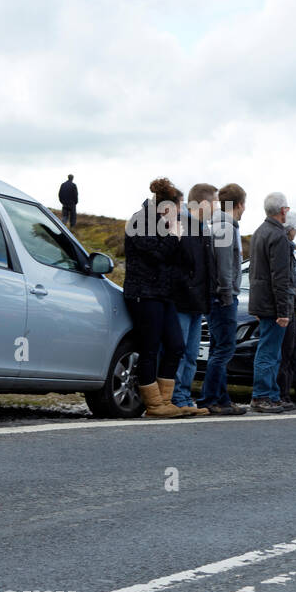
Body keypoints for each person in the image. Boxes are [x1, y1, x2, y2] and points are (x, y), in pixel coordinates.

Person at [124, 179, 191, 418]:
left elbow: (177, 260)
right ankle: (153, 405)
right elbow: (156, 256)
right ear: (167, 207)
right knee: (149, 348)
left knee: (176, 345)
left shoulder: (166, 224)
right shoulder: (139, 221)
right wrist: (173, 235)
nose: (182, 211)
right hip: (143, 293)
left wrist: (177, 236)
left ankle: (165, 401)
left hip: (164, 294)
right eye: (179, 206)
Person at [169, 183, 218, 416]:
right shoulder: (181, 225)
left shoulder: (203, 228)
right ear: (205, 204)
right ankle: (176, 397)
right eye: (216, 202)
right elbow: (177, 264)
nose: (218, 206)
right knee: (179, 352)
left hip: (197, 302)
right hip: (182, 300)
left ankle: (184, 397)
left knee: (190, 354)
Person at [203, 183, 248, 414]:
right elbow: (224, 265)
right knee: (224, 349)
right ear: (239, 204)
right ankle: (211, 399)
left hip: (218, 296)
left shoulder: (222, 225)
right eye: (244, 204)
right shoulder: (224, 227)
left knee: (218, 348)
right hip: (222, 298)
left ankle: (221, 400)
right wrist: (227, 294)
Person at [248, 192, 293, 413]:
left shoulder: (258, 233)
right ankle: (261, 396)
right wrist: (283, 310)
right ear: (283, 210)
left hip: (261, 301)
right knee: (268, 351)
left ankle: (272, 395)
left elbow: (255, 271)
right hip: (273, 304)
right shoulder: (279, 236)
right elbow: (280, 277)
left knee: (271, 351)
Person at [276, 211, 296, 409]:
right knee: (285, 352)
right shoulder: (285, 248)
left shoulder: (289, 248)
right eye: (295, 228)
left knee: (288, 352)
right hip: (288, 308)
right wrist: (293, 298)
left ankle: (283, 394)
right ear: (291, 229)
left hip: (290, 306)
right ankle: (282, 395)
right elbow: (284, 282)